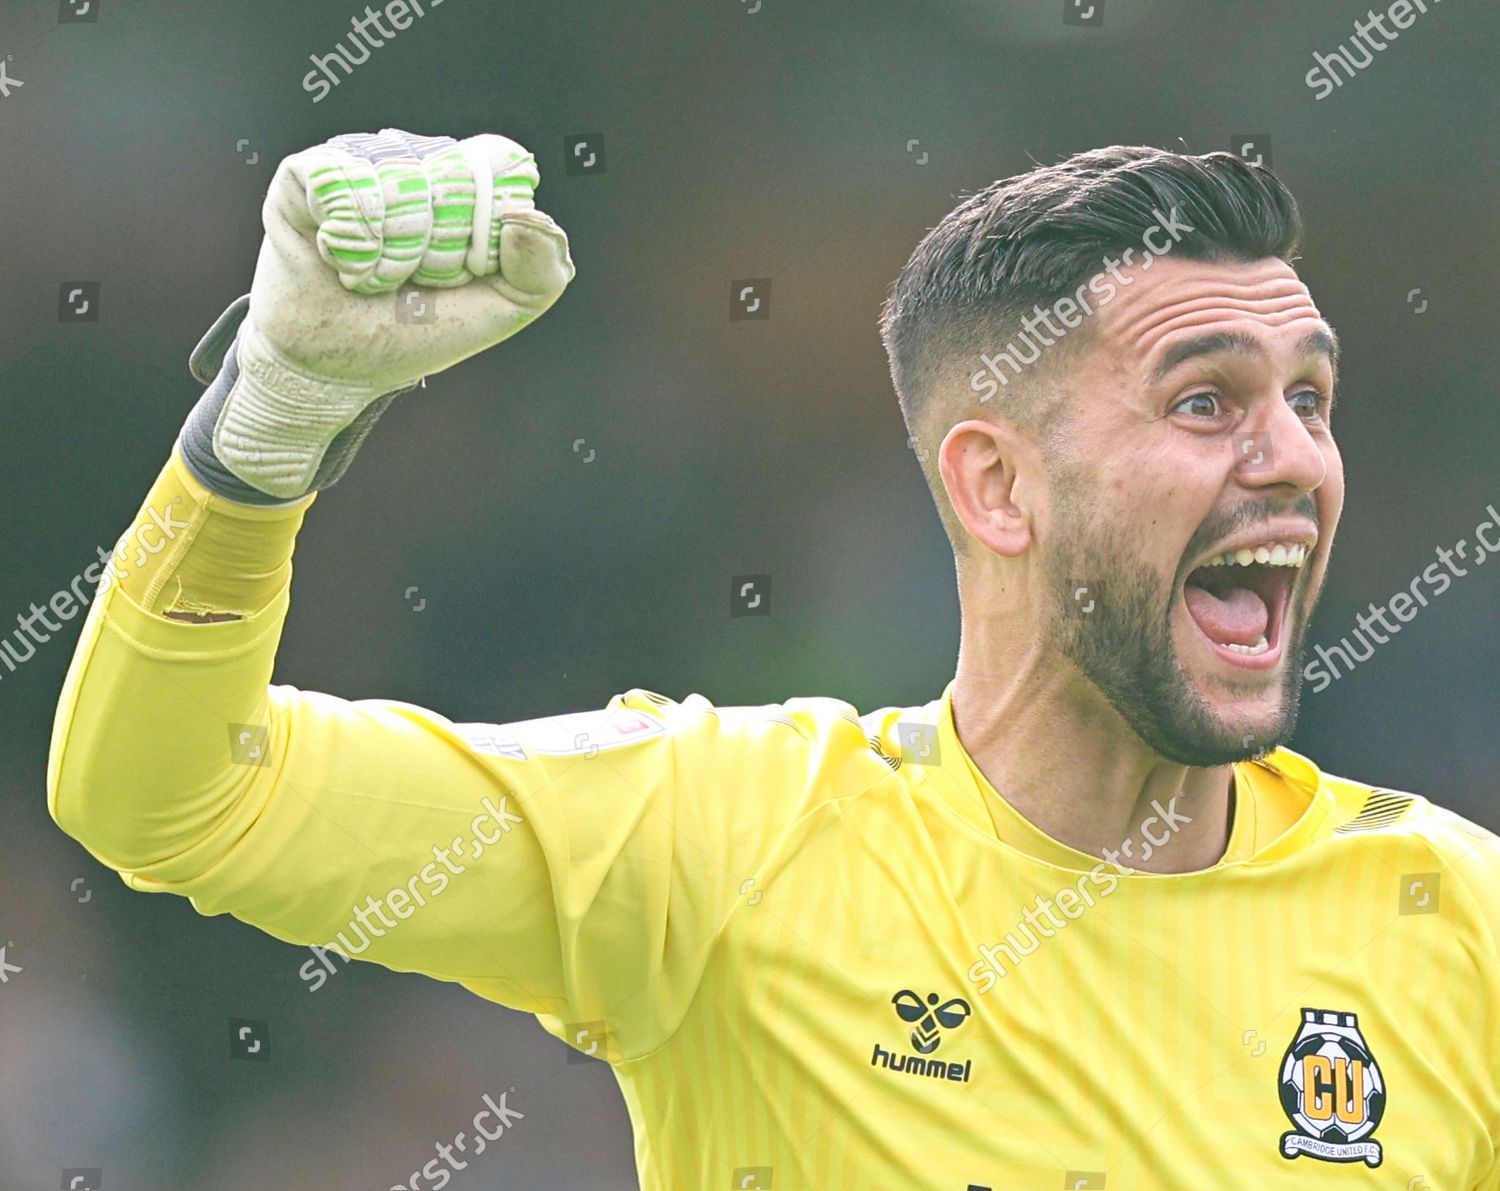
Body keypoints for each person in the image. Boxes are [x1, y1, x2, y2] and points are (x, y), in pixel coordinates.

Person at [48, 127, 1499, 1187]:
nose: (1295, 459)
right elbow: (170, 796)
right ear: (998, 487)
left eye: (1311, 398)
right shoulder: (724, 836)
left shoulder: (1459, 918)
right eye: (1206, 401)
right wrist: (273, 424)